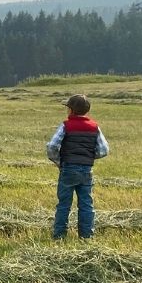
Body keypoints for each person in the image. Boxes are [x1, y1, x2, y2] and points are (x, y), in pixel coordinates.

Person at [46, 93, 109, 240]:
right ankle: (86, 237)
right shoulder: (94, 127)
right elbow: (104, 150)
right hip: (86, 170)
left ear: (71, 110)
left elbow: (52, 146)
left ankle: (59, 236)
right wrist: (88, 157)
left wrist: (59, 161)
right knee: (86, 204)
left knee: (64, 204)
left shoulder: (66, 125)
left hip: (68, 168)